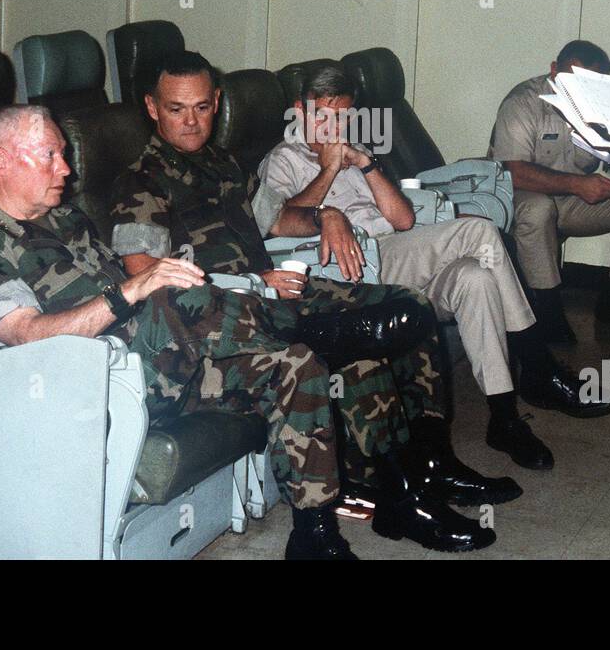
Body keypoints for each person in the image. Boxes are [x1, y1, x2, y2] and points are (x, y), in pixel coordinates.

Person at [110, 51, 518, 552]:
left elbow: (278, 221)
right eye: (176, 109)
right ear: (153, 108)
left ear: (216, 102)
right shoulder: (140, 182)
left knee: (406, 308)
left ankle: (424, 472)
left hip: (273, 293)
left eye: (201, 107)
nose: (191, 121)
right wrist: (251, 283)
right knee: (361, 337)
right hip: (215, 322)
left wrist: (326, 215)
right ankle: (397, 488)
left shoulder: (224, 164)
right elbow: (149, 284)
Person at [0, 105, 365, 559]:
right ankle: (328, 328)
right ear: (2, 162)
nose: (65, 169)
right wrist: (131, 291)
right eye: (49, 155)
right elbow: (27, 336)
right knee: (167, 295)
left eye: (63, 154)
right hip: (84, 394)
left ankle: (315, 536)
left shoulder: (66, 220)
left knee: (295, 364)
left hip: (156, 368)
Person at [257, 65, 610, 472]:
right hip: (356, 268)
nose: (332, 126)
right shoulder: (282, 160)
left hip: (394, 249)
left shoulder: (354, 151)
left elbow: (404, 220)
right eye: (322, 115)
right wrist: (327, 171)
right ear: (298, 112)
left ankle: (504, 417)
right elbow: (275, 222)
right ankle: (537, 363)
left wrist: (366, 165)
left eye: (341, 117)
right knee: (478, 231)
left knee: (475, 279)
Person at [489, 40, 610, 346]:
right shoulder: (524, 101)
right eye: (570, 78)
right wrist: (576, 184)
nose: (577, 89)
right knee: (539, 207)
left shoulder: (600, 105)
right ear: (554, 69)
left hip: (570, 201)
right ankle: (547, 310)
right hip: (516, 198)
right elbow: (511, 171)